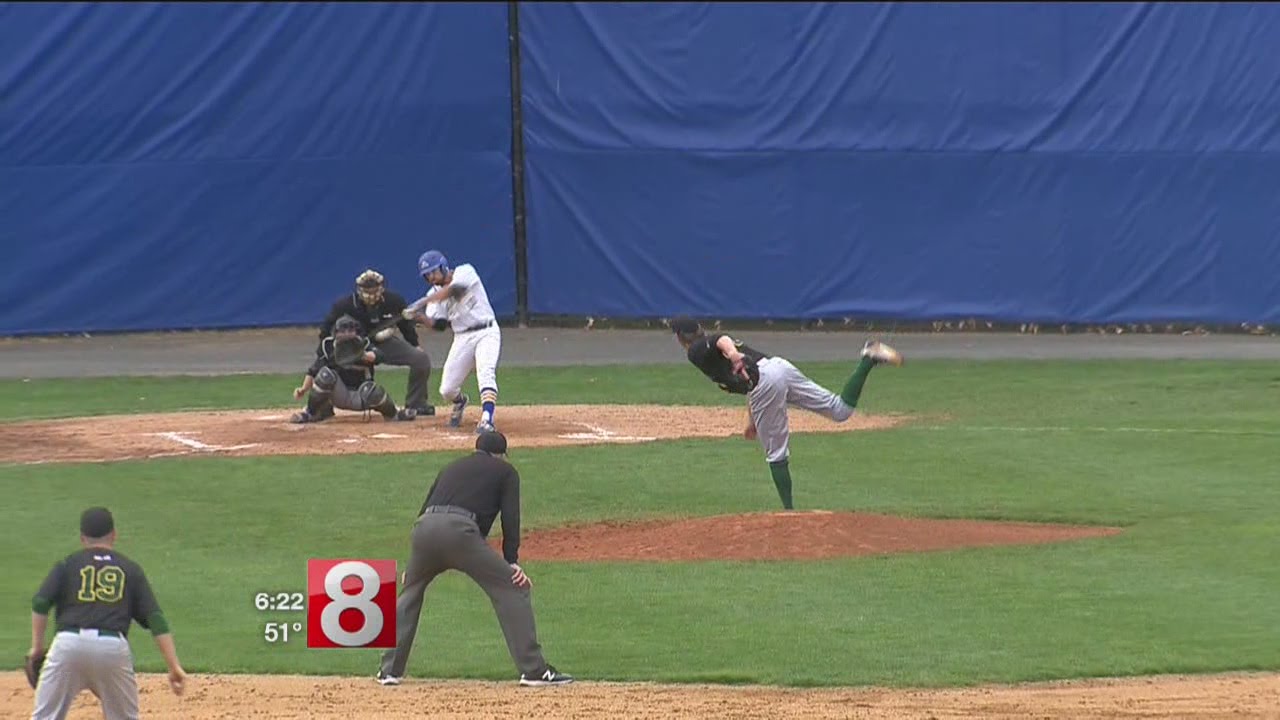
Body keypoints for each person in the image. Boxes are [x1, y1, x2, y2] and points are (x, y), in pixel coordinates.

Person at [376, 431, 573, 688]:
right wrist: (511, 562)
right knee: (513, 586)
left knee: (409, 593)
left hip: (424, 530)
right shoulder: (506, 472)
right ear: (500, 454)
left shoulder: (452, 467)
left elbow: (424, 509)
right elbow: (510, 518)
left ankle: (388, 670)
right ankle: (534, 670)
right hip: (459, 532)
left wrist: (414, 565)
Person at [670, 316, 904, 510]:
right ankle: (868, 359)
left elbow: (721, 339)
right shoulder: (708, 353)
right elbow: (747, 383)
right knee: (839, 410)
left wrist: (733, 355)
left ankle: (789, 516)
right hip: (777, 368)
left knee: (776, 453)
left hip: (764, 382)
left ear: (680, 338)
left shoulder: (696, 351)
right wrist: (752, 420)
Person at [28, 507, 187, 720]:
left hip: (68, 645)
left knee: (44, 716)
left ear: (82, 538)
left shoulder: (67, 564)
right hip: (111, 649)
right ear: (114, 535)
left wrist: (37, 648)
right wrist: (173, 666)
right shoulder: (130, 569)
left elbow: (40, 603)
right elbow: (155, 620)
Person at [403, 251, 502, 434]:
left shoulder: (465, 271)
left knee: (486, 373)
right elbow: (440, 325)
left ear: (443, 267)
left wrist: (422, 302)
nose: (431, 278)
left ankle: (487, 419)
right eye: (427, 275)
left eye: (433, 272)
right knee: (446, 389)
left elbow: (454, 290)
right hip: (462, 337)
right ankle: (459, 402)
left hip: (487, 331)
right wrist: (420, 318)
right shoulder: (433, 295)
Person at [319, 269, 435, 416]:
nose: (371, 294)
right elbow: (326, 328)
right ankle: (323, 407)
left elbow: (405, 324)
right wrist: (332, 349)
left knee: (421, 359)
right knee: (328, 366)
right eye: (367, 290)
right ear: (359, 290)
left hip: (385, 344)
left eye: (375, 290)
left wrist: (415, 344)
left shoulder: (394, 301)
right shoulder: (344, 305)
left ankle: (417, 403)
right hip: (356, 347)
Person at [290, 314, 418, 423]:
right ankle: (312, 413)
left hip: (361, 396)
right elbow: (314, 370)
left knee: (371, 390)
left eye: (350, 331)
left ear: (356, 332)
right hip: (337, 393)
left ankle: (394, 415)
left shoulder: (364, 344)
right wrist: (303, 389)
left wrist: (361, 355)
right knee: (325, 375)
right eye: (343, 331)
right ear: (336, 333)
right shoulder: (328, 345)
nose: (346, 334)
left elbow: (379, 356)